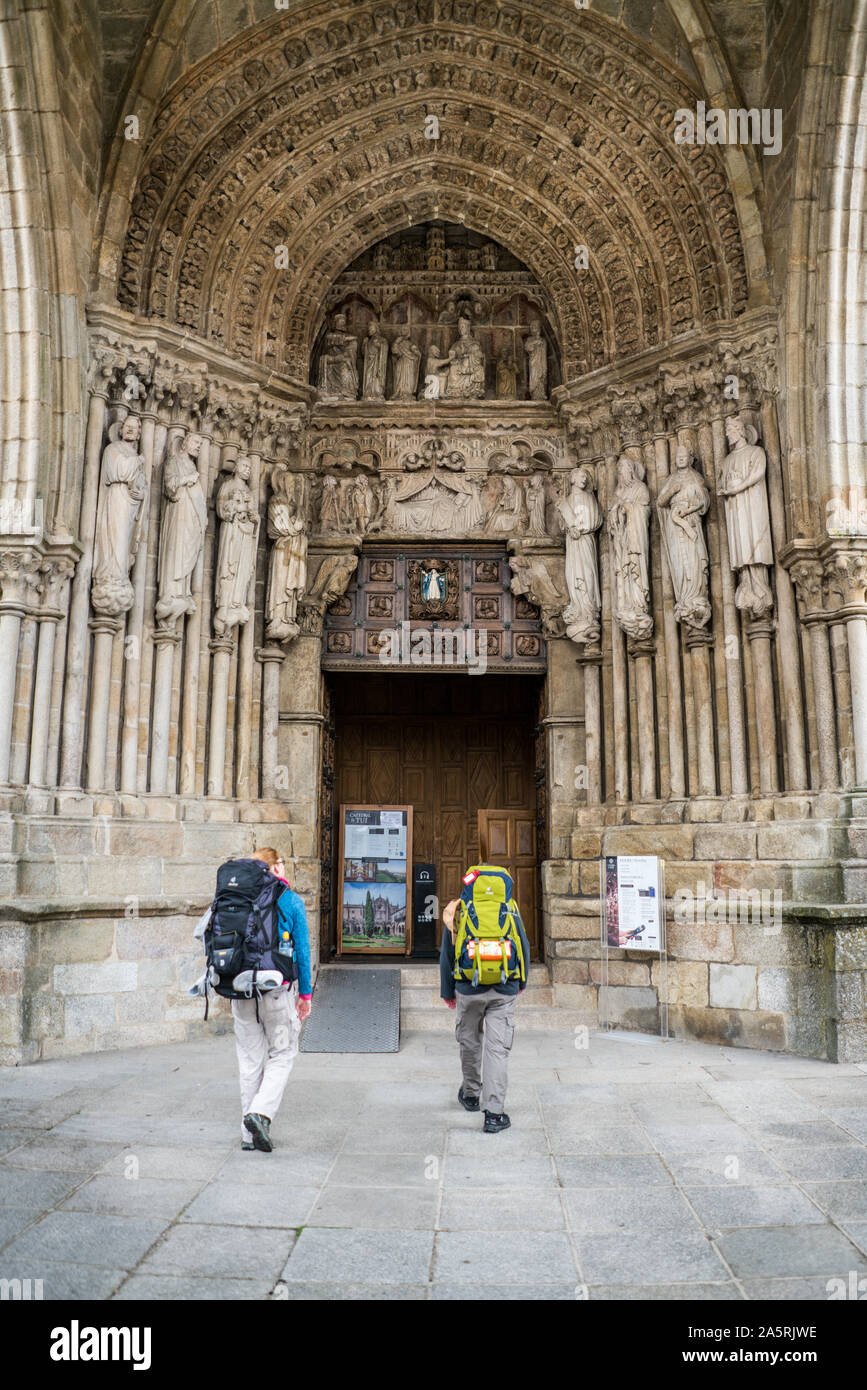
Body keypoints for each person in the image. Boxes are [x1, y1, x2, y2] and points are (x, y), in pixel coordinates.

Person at [232, 848, 312, 1152]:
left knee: (249, 1061)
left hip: (240, 990)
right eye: (280, 862)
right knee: (282, 1053)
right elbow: (302, 950)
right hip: (276, 992)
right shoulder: (289, 899)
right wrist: (305, 994)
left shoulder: (233, 896)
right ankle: (260, 1112)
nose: (283, 867)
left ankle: (247, 1136)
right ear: (274, 867)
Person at [439, 874, 531, 1134]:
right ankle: (494, 1114)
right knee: (497, 1049)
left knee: (469, 1041)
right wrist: (521, 982)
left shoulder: (459, 909)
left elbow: (447, 952)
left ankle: (470, 1095)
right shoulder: (510, 909)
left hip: (468, 988)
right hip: (504, 987)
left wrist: (448, 991)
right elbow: (523, 945)